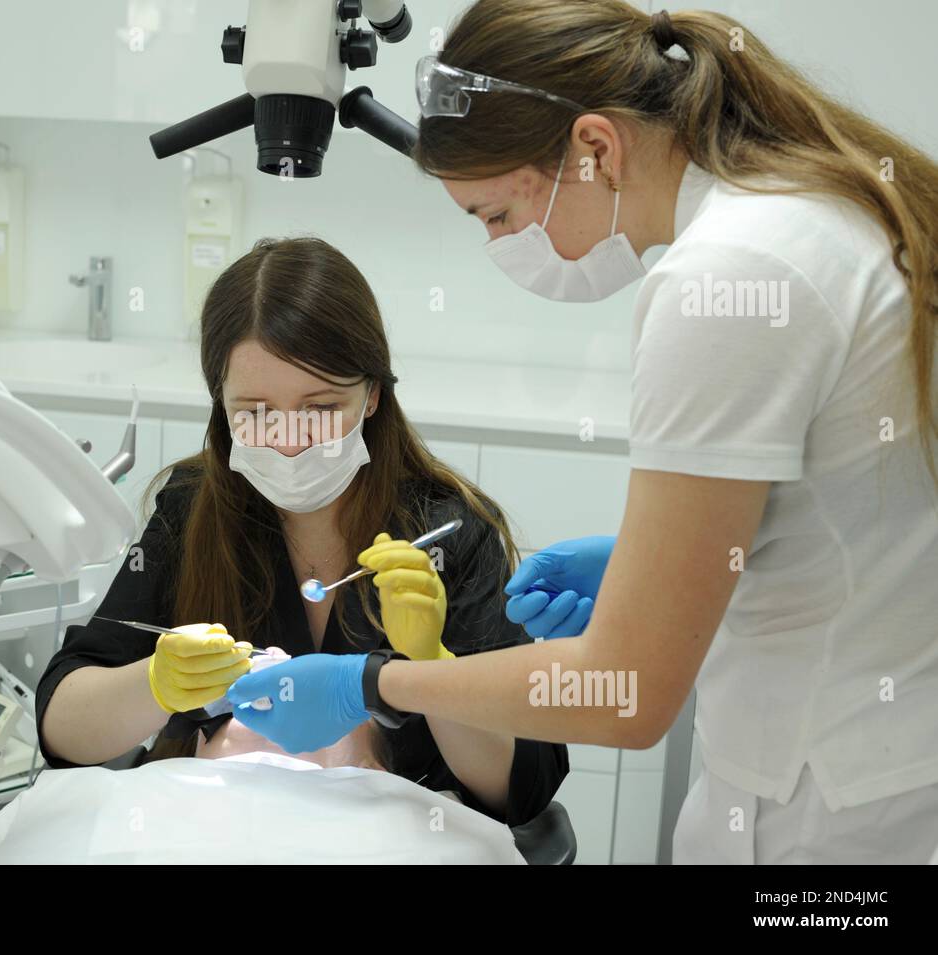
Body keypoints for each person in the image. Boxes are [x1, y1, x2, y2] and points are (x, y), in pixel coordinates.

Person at [228, 0, 938, 864]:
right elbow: (860, 510)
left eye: (495, 215)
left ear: (594, 149)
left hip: (834, 822)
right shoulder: (808, 214)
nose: (500, 246)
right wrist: (662, 565)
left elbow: (627, 695)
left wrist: (368, 682)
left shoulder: (726, 278)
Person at [36, 236, 568, 825]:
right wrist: (155, 684)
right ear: (221, 401)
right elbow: (63, 733)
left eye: (319, 407)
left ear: (371, 394)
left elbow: (520, 790)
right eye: (257, 412)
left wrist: (431, 667)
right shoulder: (194, 512)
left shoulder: (446, 533)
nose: (289, 441)